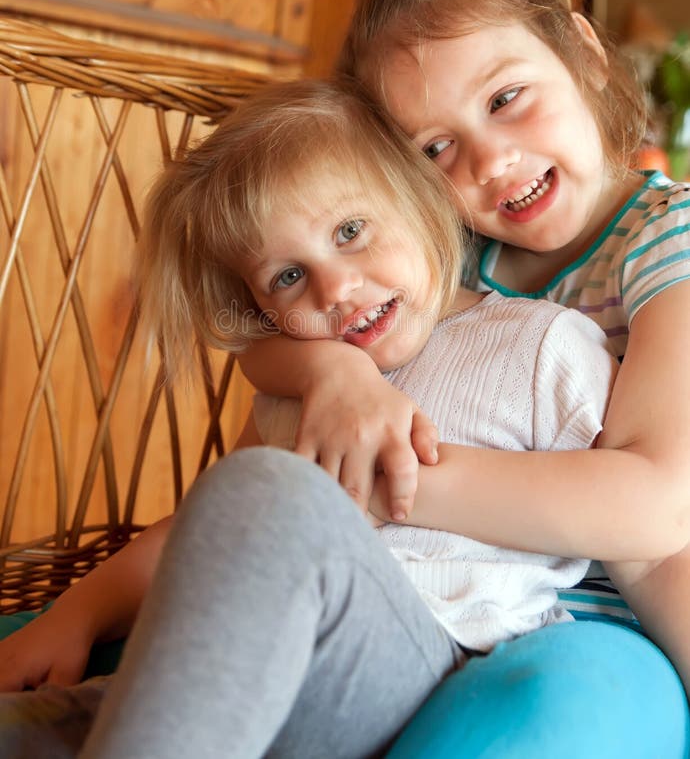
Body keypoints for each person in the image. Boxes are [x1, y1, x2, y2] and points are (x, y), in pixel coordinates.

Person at [1, 79, 682, 759]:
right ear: (263, 309)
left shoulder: (543, 348)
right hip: (263, 676)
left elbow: (649, 550)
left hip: (433, 661)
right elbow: (207, 536)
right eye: (288, 278)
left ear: (420, 201)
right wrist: (76, 617)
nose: (334, 288)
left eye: (351, 232)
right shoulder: (303, 382)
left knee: (261, 488)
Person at [233, 0, 690, 748]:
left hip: (605, 633)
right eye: (435, 150)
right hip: (433, 606)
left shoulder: (668, 243)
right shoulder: (450, 256)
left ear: (584, 57)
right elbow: (266, 346)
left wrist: (380, 479)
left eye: (507, 98)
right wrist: (336, 376)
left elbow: (655, 505)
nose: (489, 160)